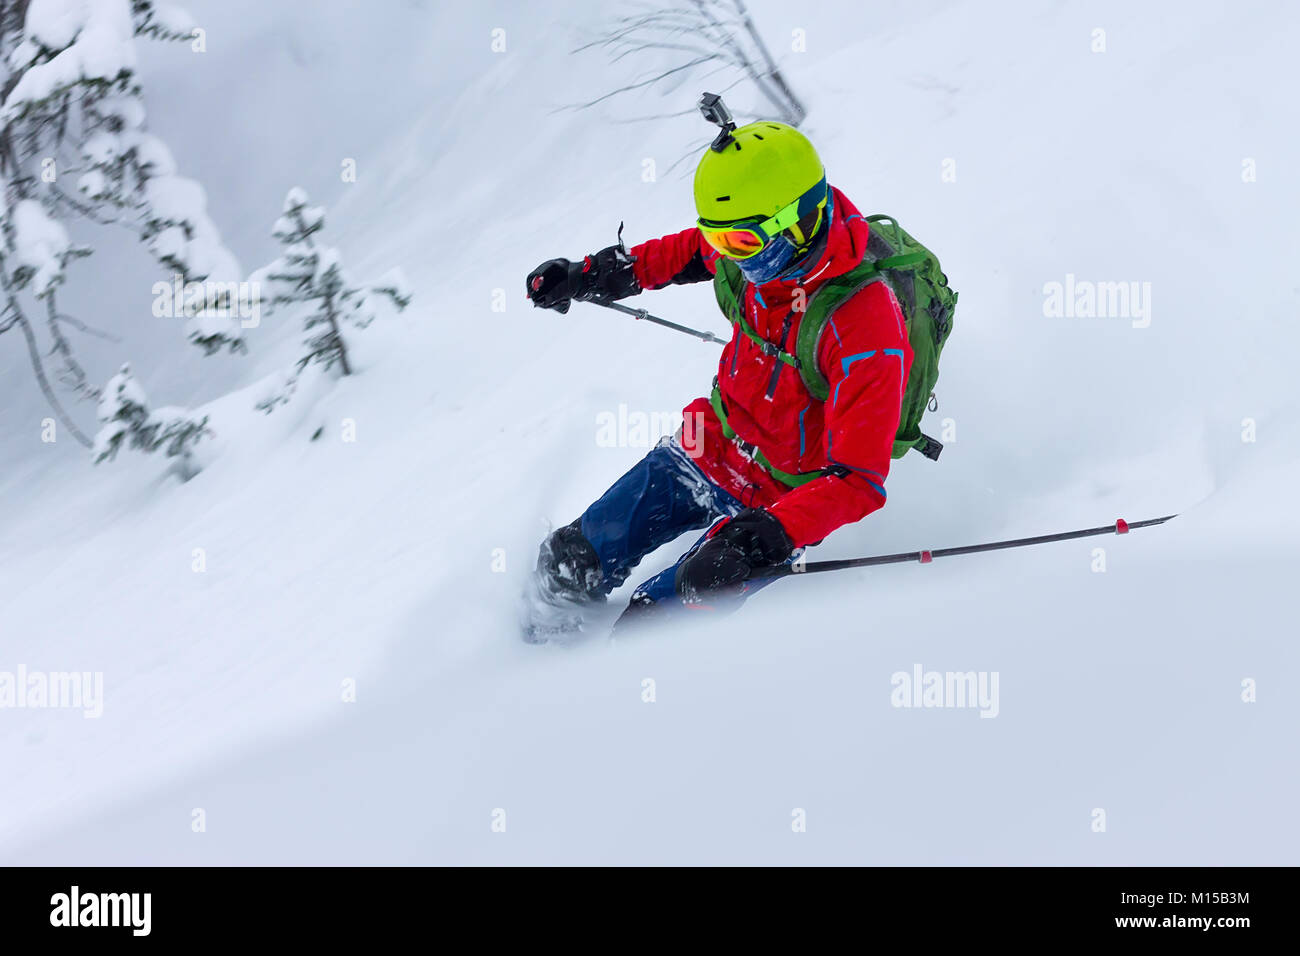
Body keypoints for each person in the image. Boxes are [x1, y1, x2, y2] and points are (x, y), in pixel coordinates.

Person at [524, 116, 919, 635]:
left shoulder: (865, 325)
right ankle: (521, 678)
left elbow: (858, 480)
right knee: (568, 562)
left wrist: (765, 538)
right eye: (723, 239)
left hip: (782, 497)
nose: (730, 255)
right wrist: (593, 274)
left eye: (742, 242)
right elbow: (690, 250)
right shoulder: (756, 247)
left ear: (801, 220)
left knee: (649, 631)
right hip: (710, 443)